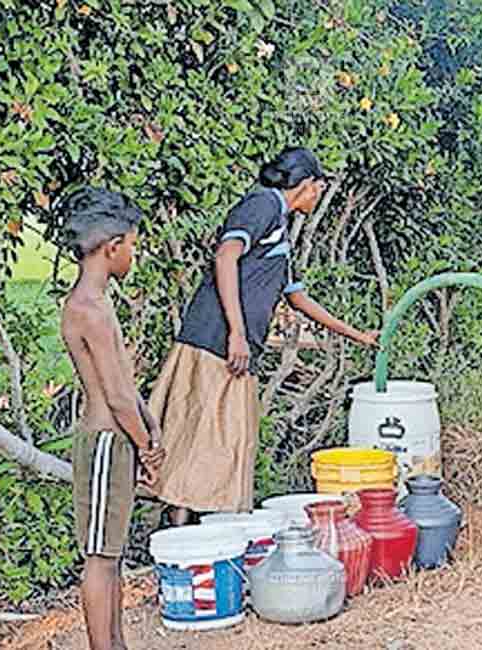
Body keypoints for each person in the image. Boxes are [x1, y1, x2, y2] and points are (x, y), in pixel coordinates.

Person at [150, 147, 378, 525]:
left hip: (235, 350)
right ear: (307, 184)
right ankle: (179, 536)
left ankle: (197, 533)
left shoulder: (280, 227)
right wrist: (237, 333)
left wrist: (356, 335)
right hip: (216, 342)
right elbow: (225, 257)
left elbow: (297, 298)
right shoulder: (263, 205)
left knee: (220, 446)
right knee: (199, 442)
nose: (318, 196)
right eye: (320, 188)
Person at [59, 187, 166, 650]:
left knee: (113, 553)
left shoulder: (99, 303)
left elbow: (124, 382)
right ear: (113, 246)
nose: (133, 256)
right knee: (101, 559)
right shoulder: (88, 310)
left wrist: (150, 425)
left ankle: (116, 643)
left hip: (119, 438)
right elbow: (118, 398)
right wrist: (147, 447)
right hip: (106, 441)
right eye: (133, 246)